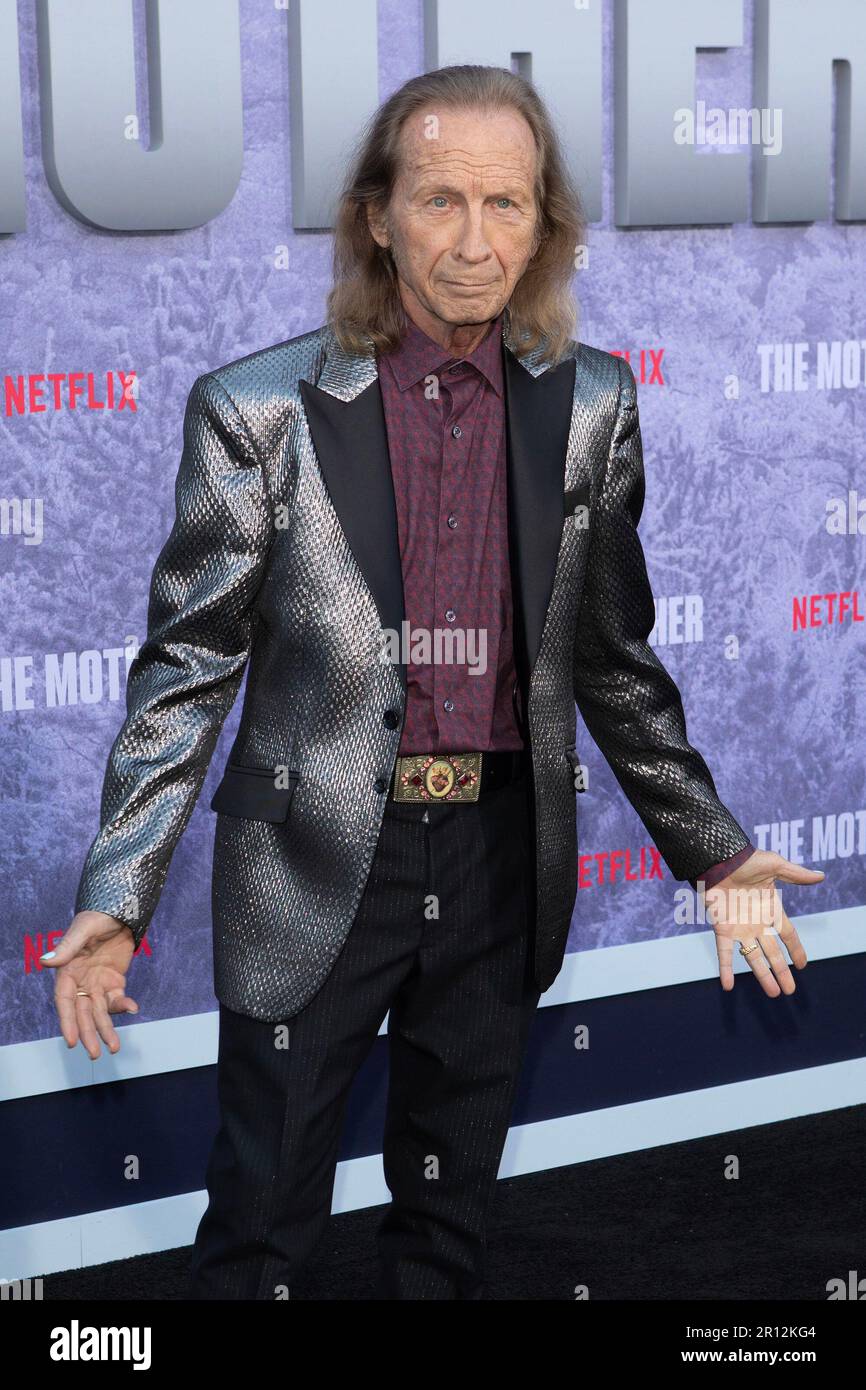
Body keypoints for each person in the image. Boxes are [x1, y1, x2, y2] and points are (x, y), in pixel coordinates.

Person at [43, 65, 824, 1300]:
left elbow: (610, 660)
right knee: (262, 1220)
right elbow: (187, 671)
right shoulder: (257, 412)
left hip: (497, 859)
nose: (473, 241)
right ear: (376, 215)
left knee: (447, 1224)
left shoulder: (593, 404)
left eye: (506, 204)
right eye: (440, 201)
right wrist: (121, 888)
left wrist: (713, 852)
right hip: (313, 863)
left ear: (545, 225)